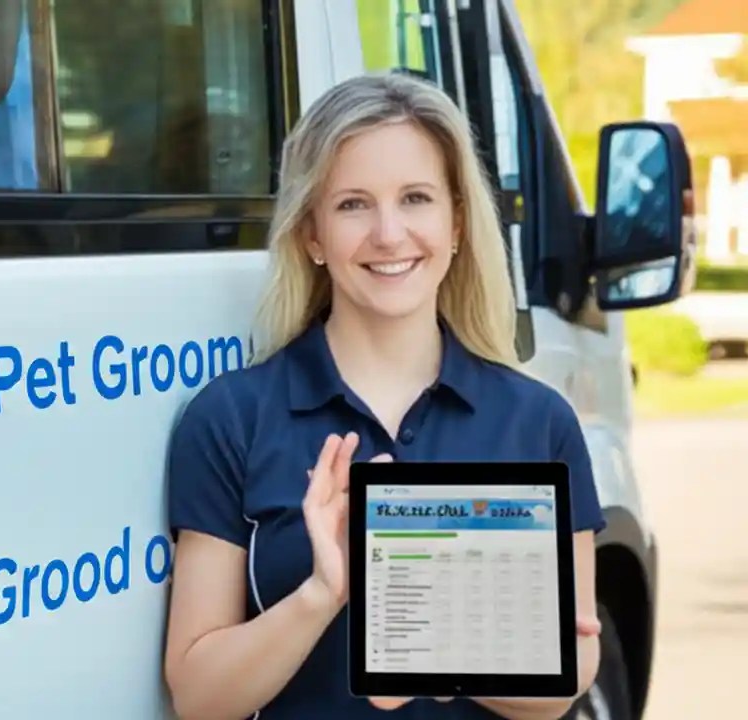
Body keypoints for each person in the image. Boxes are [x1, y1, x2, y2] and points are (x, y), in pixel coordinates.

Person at [162, 72, 605, 719]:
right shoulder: (230, 419)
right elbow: (199, 697)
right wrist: (324, 591)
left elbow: (560, 688)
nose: (389, 234)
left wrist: (417, 628)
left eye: (417, 198)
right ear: (312, 233)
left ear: (457, 221)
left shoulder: (537, 422)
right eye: (352, 205)